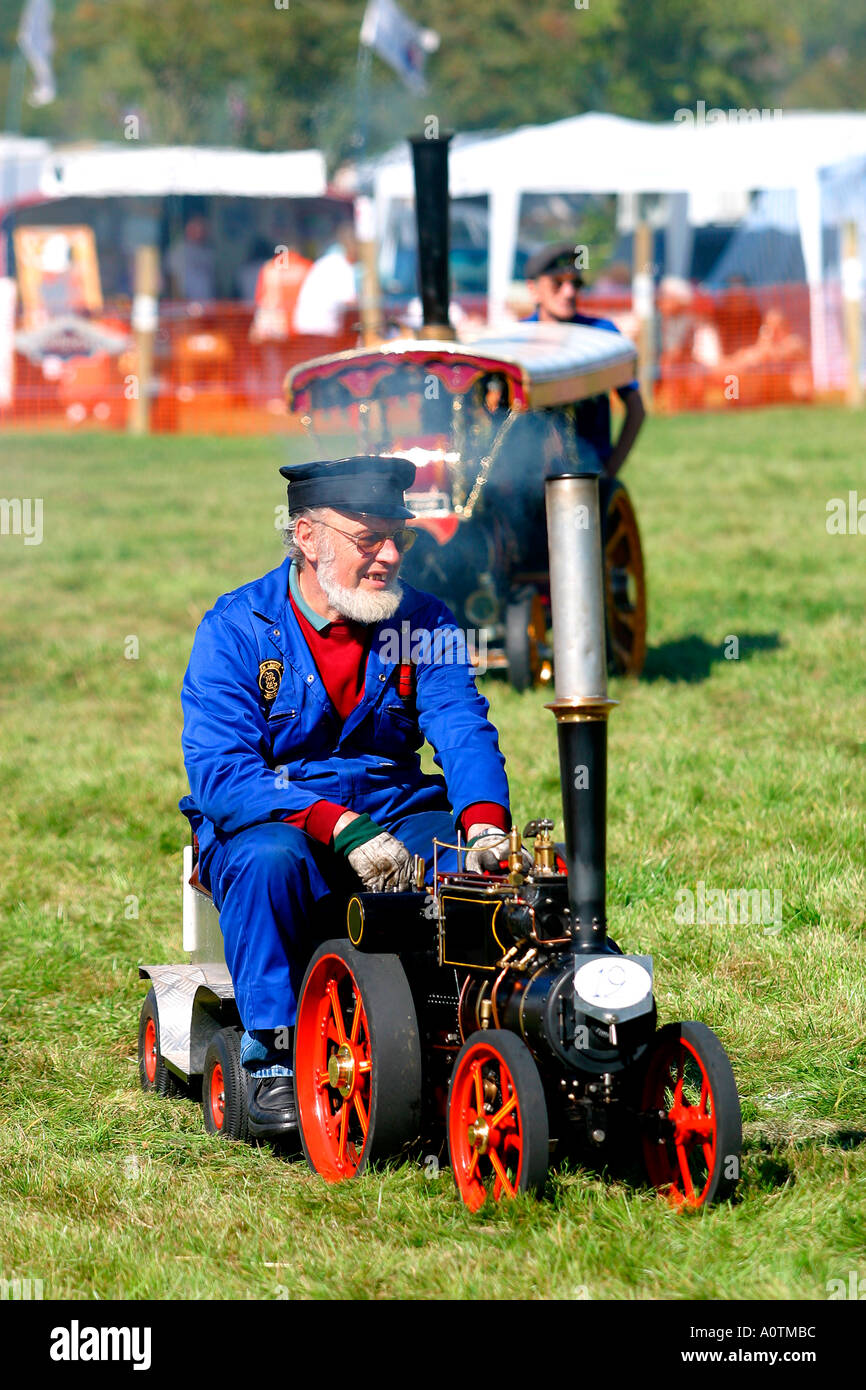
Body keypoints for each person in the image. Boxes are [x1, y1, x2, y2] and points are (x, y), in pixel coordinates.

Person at [179, 455, 529, 1138]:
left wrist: (486, 828)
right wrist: (336, 823)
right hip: (272, 820)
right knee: (268, 862)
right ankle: (272, 1055)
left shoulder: (424, 622)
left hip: (393, 809)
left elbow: (461, 727)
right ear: (308, 537)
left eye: (399, 536)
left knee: (481, 872)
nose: (391, 555)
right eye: (368, 539)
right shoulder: (235, 628)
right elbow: (222, 776)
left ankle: (473, 1027)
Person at [524, 242, 646, 478]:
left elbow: (636, 407)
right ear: (533, 289)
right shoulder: (516, 340)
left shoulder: (602, 334)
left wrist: (610, 471)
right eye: (558, 284)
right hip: (528, 472)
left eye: (575, 283)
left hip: (587, 469)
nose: (569, 292)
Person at [292, 223, 358, 337]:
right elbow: (351, 301)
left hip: (304, 327)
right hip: (323, 330)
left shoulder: (328, 262)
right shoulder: (342, 267)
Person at [166, 216, 217, 303]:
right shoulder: (178, 250)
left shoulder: (208, 251)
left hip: (208, 307)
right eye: (197, 226)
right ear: (188, 227)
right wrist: (181, 304)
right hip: (187, 307)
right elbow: (172, 280)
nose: (201, 230)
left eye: (202, 226)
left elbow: (214, 281)